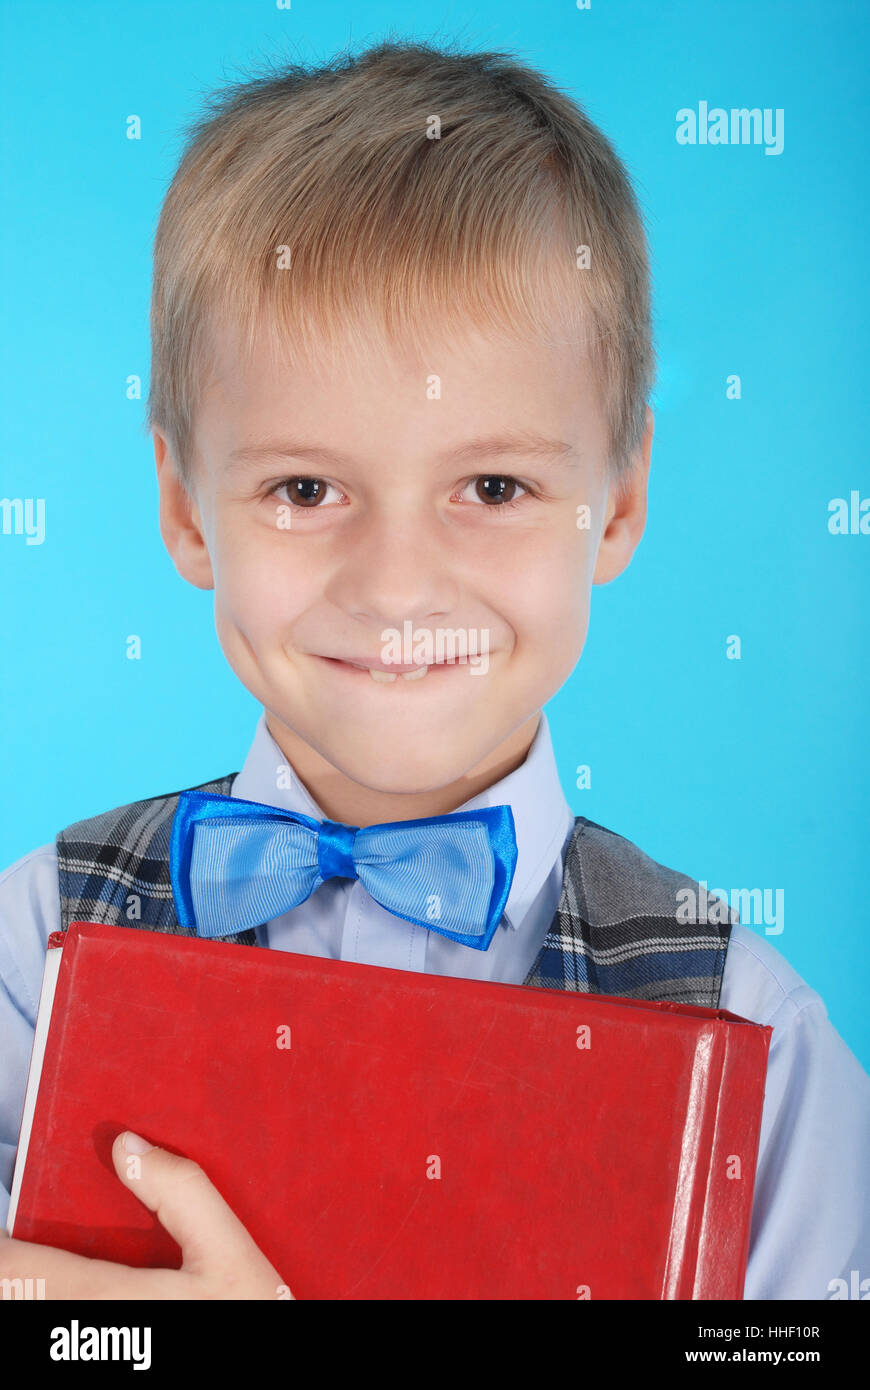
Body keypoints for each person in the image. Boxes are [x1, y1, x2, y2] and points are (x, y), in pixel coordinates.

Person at [1, 39, 867, 1300]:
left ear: (617, 503)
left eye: (494, 486)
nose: (398, 581)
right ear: (187, 512)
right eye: (305, 488)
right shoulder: (34, 950)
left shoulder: (758, 1041)